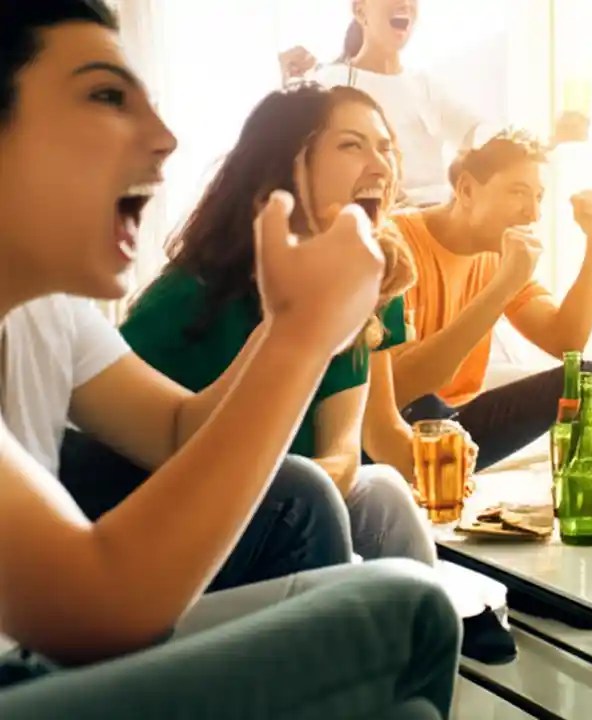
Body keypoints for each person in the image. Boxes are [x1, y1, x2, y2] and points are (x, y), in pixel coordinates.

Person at [0, 3, 460, 718]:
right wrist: (300, 335)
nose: (164, 137)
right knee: (409, 610)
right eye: (104, 97)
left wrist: (296, 325)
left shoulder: (49, 309)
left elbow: (182, 427)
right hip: (35, 663)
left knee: (403, 687)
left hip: (38, 654)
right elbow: (97, 605)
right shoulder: (183, 301)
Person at [120, 83, 441, 568]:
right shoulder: (184, 303)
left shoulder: (361, 285)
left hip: (298, 510)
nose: (382, 166)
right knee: (308, 490)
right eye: (352, 145)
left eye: (386, 148)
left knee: (382, 492)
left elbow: (343, 452)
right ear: (286, 167)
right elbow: (137, 472)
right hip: (183, 540)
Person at [388, 129, 592, 471]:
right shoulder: (395, 245)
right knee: (425, 405)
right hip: (395, 427)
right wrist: (503, 286)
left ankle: (578, 499)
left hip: (461, 425)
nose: (533, 214)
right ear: (466, 190)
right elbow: (399, 387)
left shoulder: (497, 255)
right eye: (519, 192)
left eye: (539, 197)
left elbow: (566, 340)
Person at [278, 0, 589, 207]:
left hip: (433, 223)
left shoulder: (425, 86)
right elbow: (288, 150)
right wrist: (288, 82)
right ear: (360, 12)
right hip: (372, 222)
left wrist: (552, 139)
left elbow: (491, 139)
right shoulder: (331, 81)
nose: (405, 4)